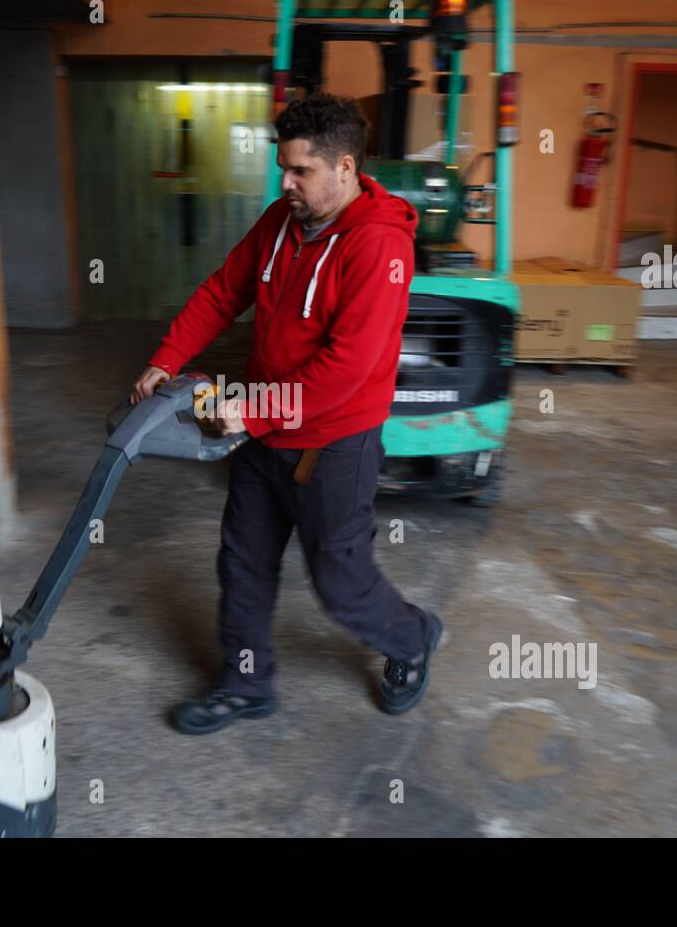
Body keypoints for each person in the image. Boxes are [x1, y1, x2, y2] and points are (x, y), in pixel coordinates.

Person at [130, 93, 445, 735]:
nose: (286, 182)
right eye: (284, 167)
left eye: (300, 170)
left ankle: (412, 638)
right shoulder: (282, 222)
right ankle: (246, 684)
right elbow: (224, 290)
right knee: (242, 561)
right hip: (264, 434)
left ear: (346, 168)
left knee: (341, 584)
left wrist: (252, 410)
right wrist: (168, 357)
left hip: (332, 446)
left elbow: (347, 369)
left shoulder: (379, 247)